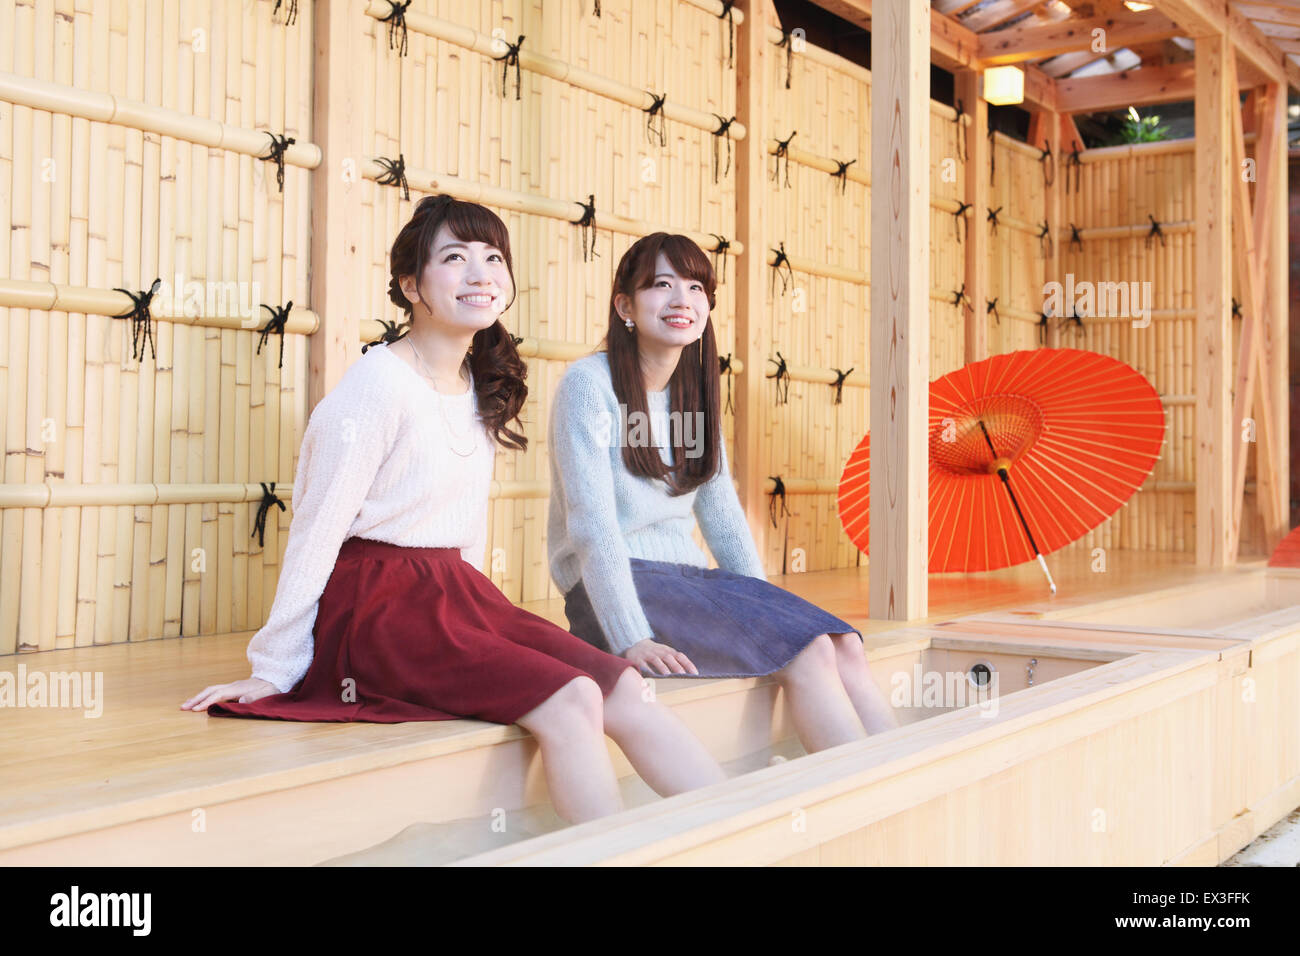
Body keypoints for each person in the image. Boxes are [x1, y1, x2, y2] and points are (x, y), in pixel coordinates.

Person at [182, 197, 726, 823]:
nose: (481, 274)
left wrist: (481, 619)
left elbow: (463, 529)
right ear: (411, 285)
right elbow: (316, 529)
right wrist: (273, 667)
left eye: (494, 258)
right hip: (375, 604)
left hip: (455, 591)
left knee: (624, 684)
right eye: (455, 259)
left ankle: (742, 837)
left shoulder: (479, 386)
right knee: (573, 697)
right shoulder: (376, 385)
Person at [547, 232, 899, 753]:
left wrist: (760, 603)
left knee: (843, 645)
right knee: (809, 654)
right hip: (617, 587)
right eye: (661, 285)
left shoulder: (694, 395)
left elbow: (724, 517)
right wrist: (630, 637)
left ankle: (899, 775)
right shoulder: (589, 385)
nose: (682, 300)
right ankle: (856, 796)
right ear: (625, 304)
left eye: (695, 287)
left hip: (683, 579)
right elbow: (592, 525)